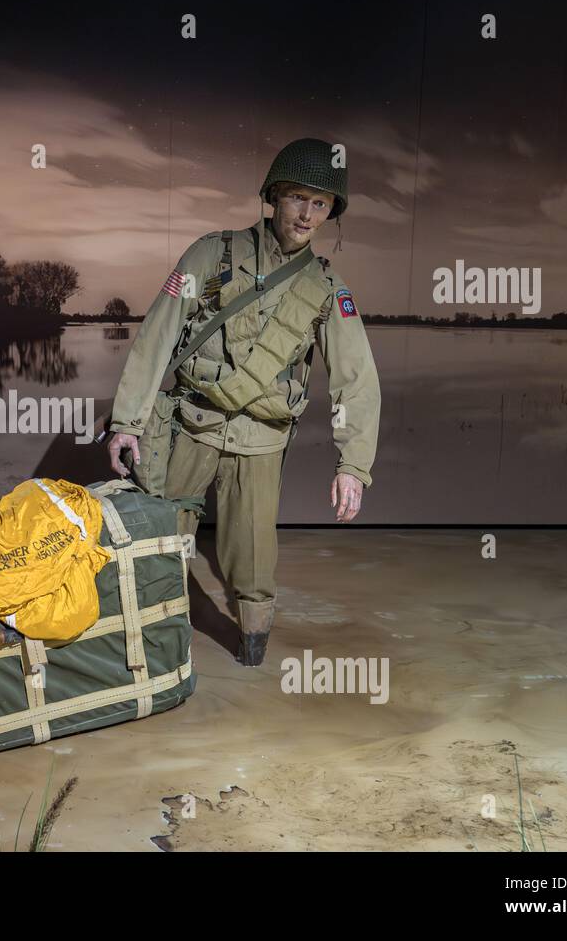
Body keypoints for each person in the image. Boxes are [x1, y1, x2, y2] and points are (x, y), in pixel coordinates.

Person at [106, 138, 381, 666]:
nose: (306, 214)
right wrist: (128, 421)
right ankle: (154, 645)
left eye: (320, 204)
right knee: (164, 537)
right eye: (298, 198)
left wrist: (354, 465)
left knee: (253, 556)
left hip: (261, 439)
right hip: (192, 423)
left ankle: (253, 643)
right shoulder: (212, 254)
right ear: (275, 195)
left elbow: (357, 378)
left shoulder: (326, 287)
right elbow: (158, 334)